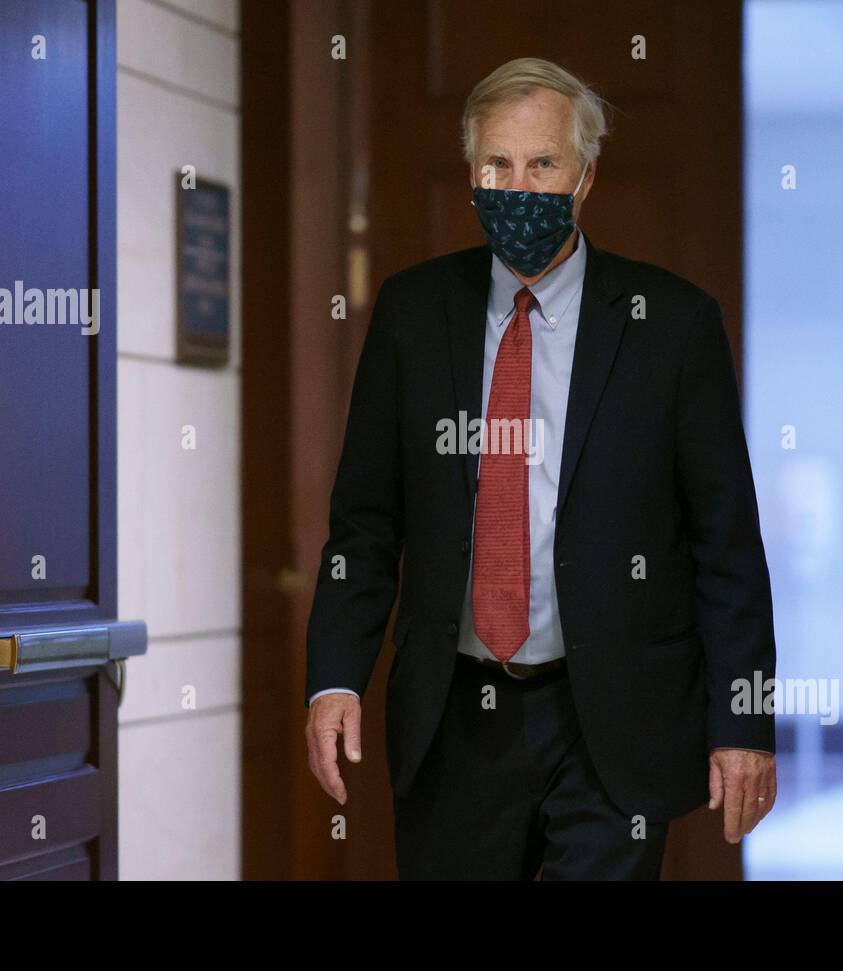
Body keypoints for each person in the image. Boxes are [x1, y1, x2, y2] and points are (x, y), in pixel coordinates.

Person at [304, 56, 777, 880]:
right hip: (454, 718)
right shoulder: (413, 314)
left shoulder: (672, 326)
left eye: (542, 164)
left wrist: (743, 718)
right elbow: (365, 523)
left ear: (584, 176)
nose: (518, 186)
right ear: (471, 172)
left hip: (613, 719)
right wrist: (334, 678)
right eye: (498, 165)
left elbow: (726, 544)